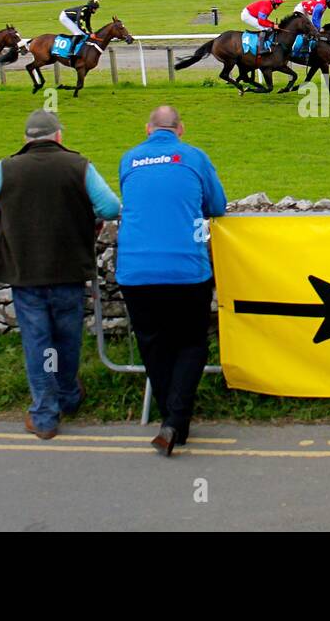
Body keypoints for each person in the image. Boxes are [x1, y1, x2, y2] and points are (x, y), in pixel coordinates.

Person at [0, 109, 120, 440]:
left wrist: (1, 224)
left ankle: (45, 414)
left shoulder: (7, 167)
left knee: (39, 341)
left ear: (26, 139)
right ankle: (69, 397)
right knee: (67, 336)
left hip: (26, 269)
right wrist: (85, 221)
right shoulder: (79, 166)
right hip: (69, 265)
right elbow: (111, 207)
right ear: (59, 136)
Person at [116, 106, 227, 456]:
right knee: (192, 343)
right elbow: (218, 206)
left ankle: (171, 420)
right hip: (185, 268)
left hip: (135, 270)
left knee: (153, 344)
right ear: (180, 129)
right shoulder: (193, 157)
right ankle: (175, 422)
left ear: (148, 129)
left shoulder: (129, 159)